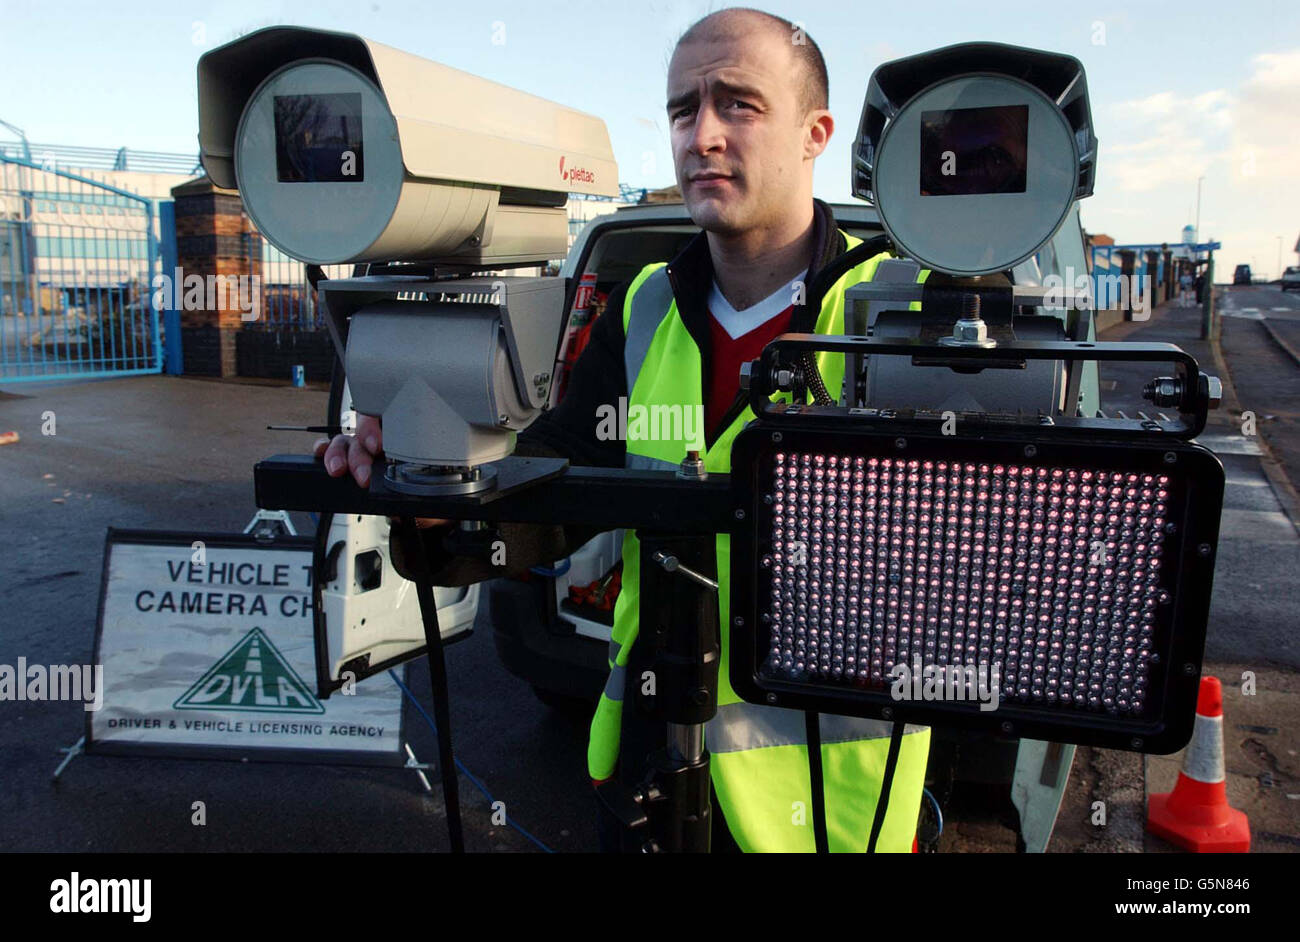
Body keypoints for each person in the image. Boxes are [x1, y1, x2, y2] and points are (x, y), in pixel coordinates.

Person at [315, 7, 931, 852]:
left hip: (824, 804)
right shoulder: (645, 305)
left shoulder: (904, 313)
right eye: (683, 109)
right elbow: (565, 480)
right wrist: (434, 481)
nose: (702, 134)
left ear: (814, 132)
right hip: (649, 762)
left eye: (739, 104)